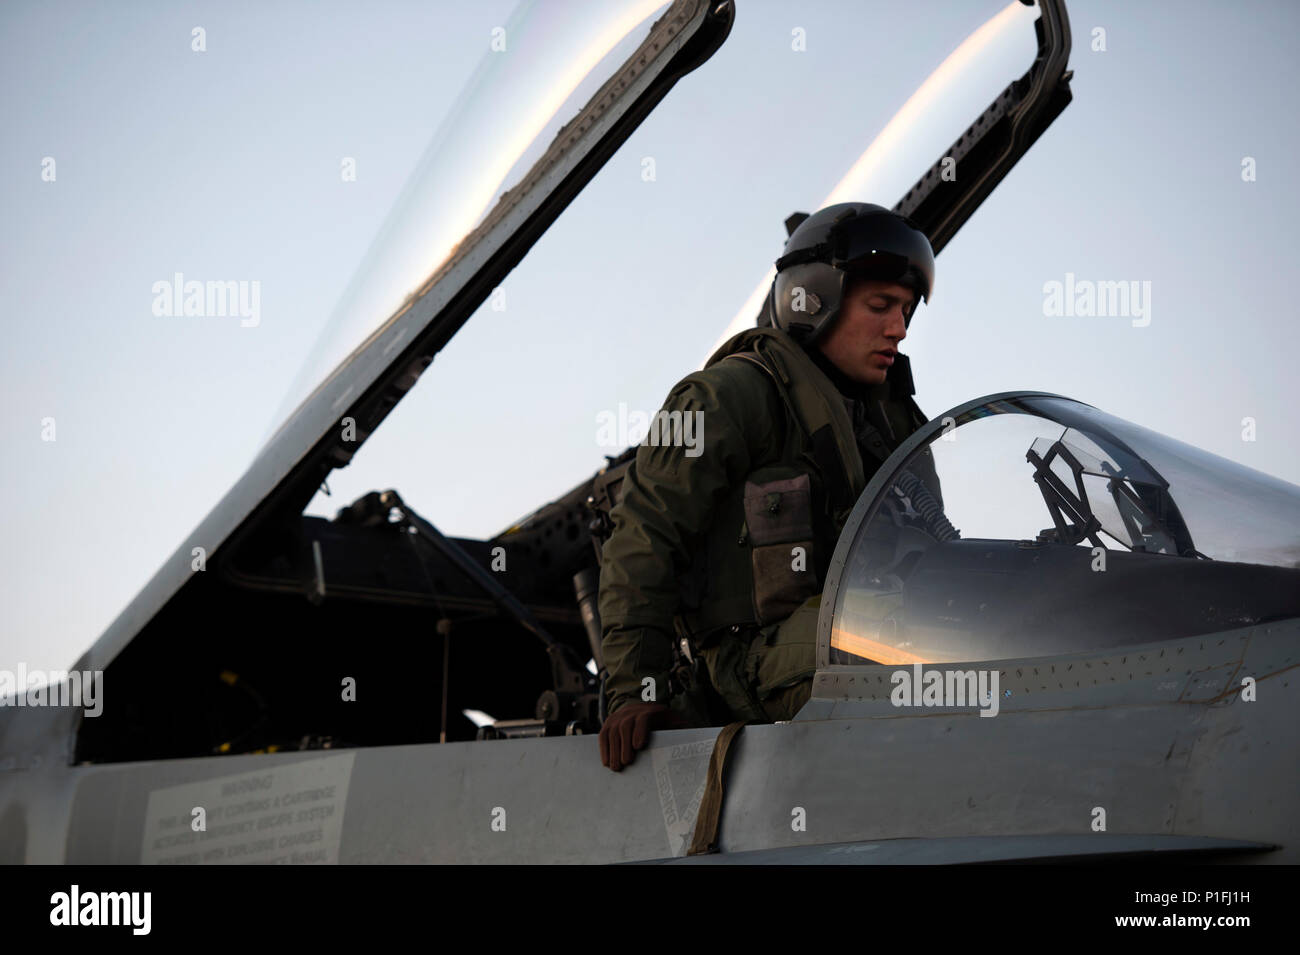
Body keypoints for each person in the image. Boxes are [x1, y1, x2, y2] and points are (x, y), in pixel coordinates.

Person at [596, 202, 940, 772]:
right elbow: (643, 540)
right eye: (880, 306)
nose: (899, 329)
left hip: (860, 631)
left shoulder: (896, 423)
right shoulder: (728, 398)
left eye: (905, 310)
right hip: (747, 663)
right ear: (813, 300)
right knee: (899, 650)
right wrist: (637, 694)